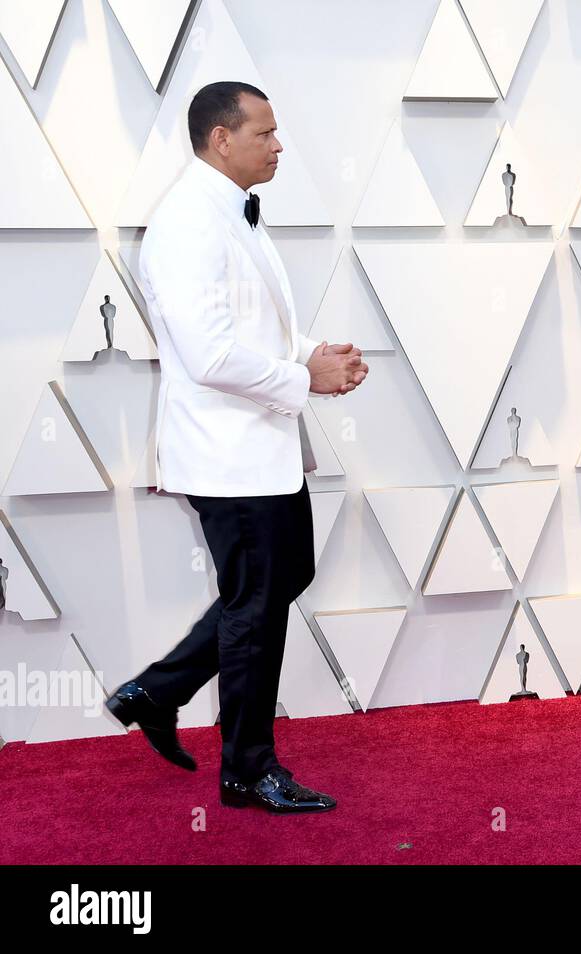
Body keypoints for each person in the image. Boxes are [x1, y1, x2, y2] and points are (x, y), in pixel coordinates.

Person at [106, 81, 368, 812]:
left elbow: (260, 331)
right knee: (256, 605)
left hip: (262, 447)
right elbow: (209, 355)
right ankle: (248, 770)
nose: (279, 145)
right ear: (222, 139)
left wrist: (319, 353)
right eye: (266, 133)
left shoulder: (234, 213)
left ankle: (155, 692)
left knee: (276, 584)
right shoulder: (189, 221)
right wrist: (303, 377)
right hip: (228, 455)